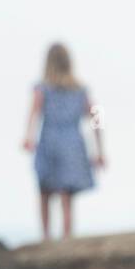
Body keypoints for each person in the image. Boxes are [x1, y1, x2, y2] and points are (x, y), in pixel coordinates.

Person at [22, 42, 105, 240]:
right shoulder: (80, 90)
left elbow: (33, 113)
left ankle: (46, 238)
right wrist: (100, 149)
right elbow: (97, 116)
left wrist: (28, 137)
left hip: (49, 141)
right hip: (73, 144)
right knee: (66, 196)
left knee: (45, 193)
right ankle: (67, 239)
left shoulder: (42, 88)